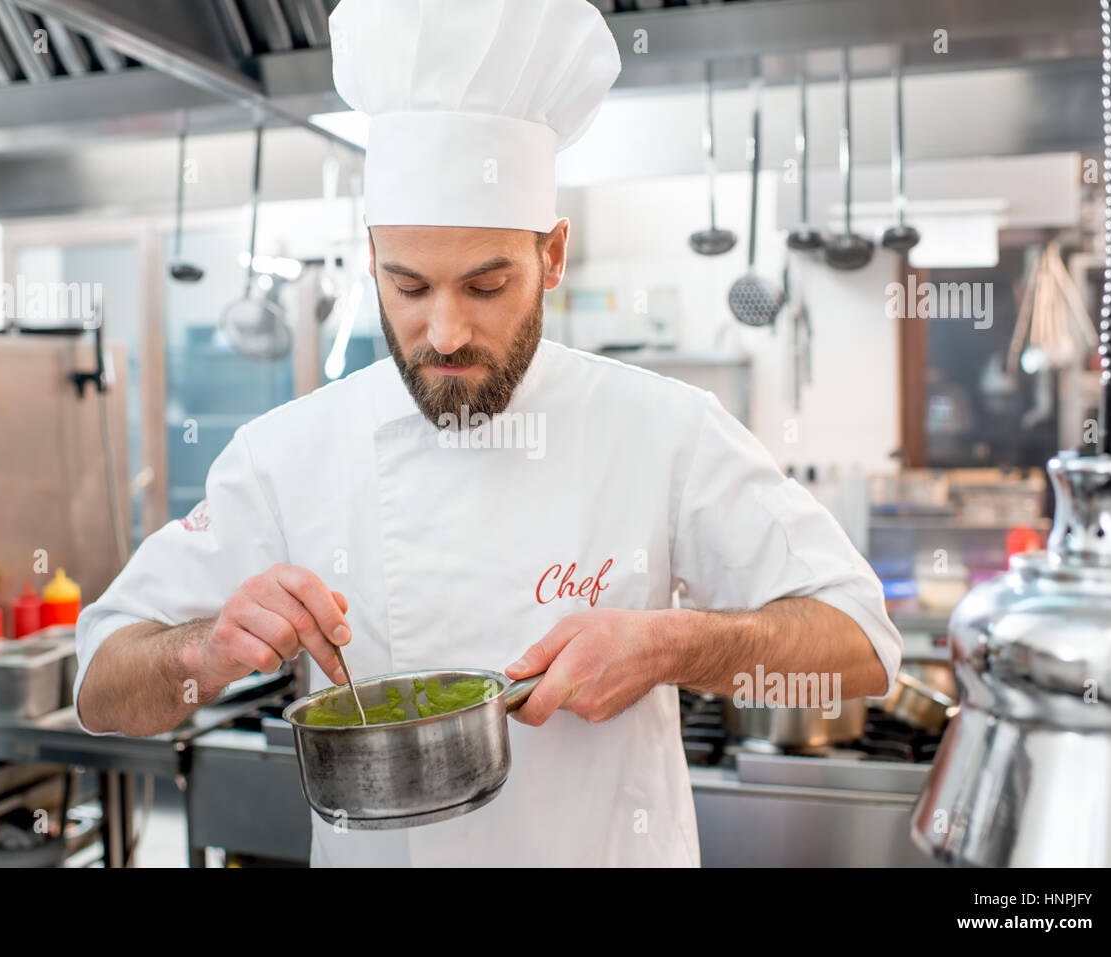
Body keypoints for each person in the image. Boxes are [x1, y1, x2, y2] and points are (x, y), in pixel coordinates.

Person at [75, 0, 902, 866]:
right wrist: (205, 651)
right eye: (407, 286)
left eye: (484, 283)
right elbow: (101, 688)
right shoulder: (288, 454)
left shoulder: (663, 428)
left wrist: (672, 645)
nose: (443, 333)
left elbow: (864, 642)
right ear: (370, 257)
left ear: (552, 254)